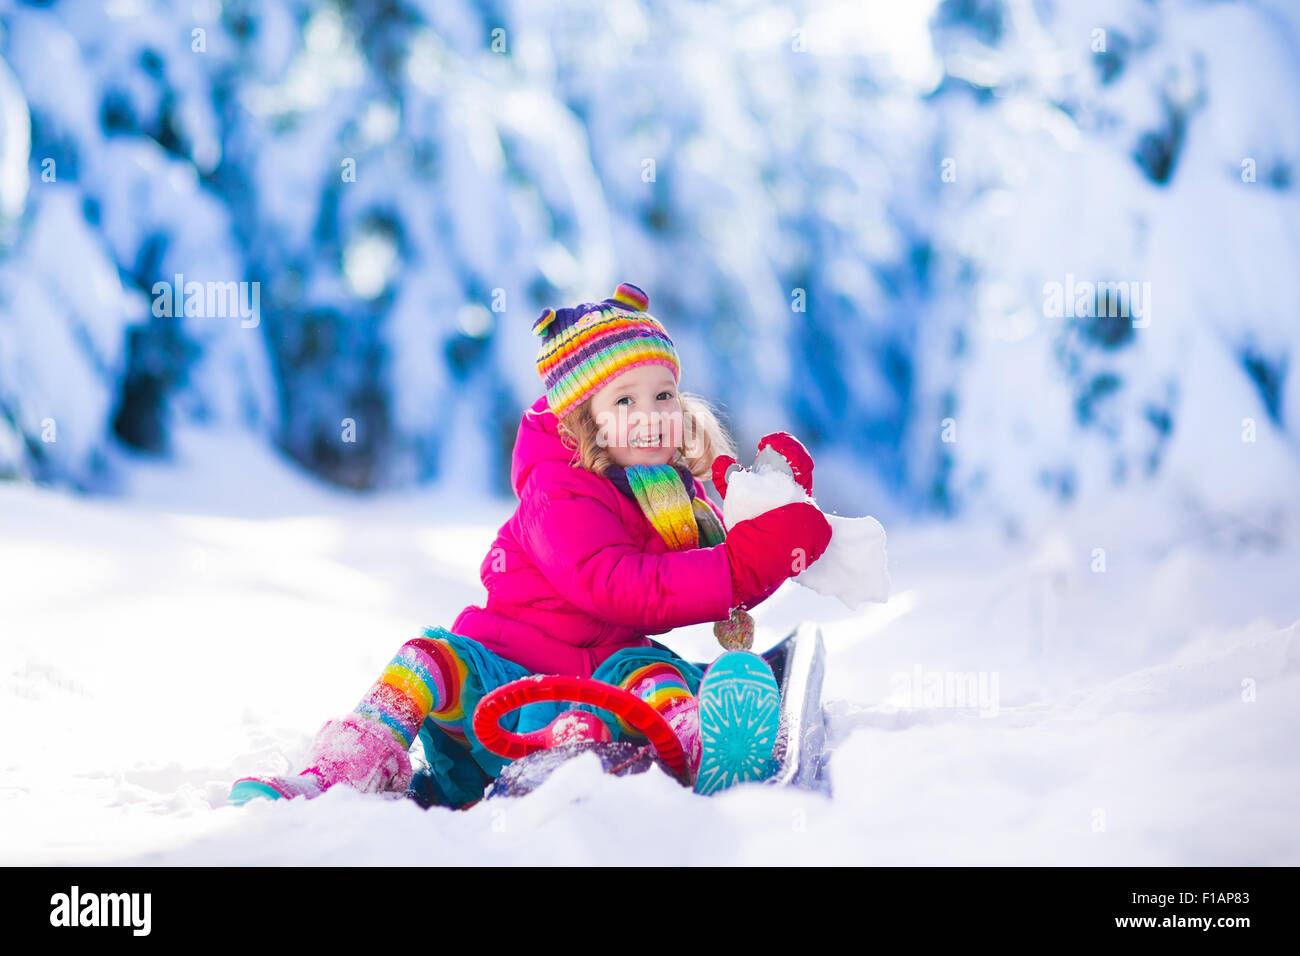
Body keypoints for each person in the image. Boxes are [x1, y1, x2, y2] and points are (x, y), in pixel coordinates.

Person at [229, 282, 831, 807]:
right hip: (502, 674)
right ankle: (346, 769)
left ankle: (704, 745)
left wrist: (769, 516)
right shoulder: (557, 489)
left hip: (602, 677)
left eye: (663, 395)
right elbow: (623, 587)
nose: (651, 414)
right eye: (625, 400)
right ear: (582, 422)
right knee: (426, 656)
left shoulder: (663, 489)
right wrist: (748, 563)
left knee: (651, 673)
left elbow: (713, 567)